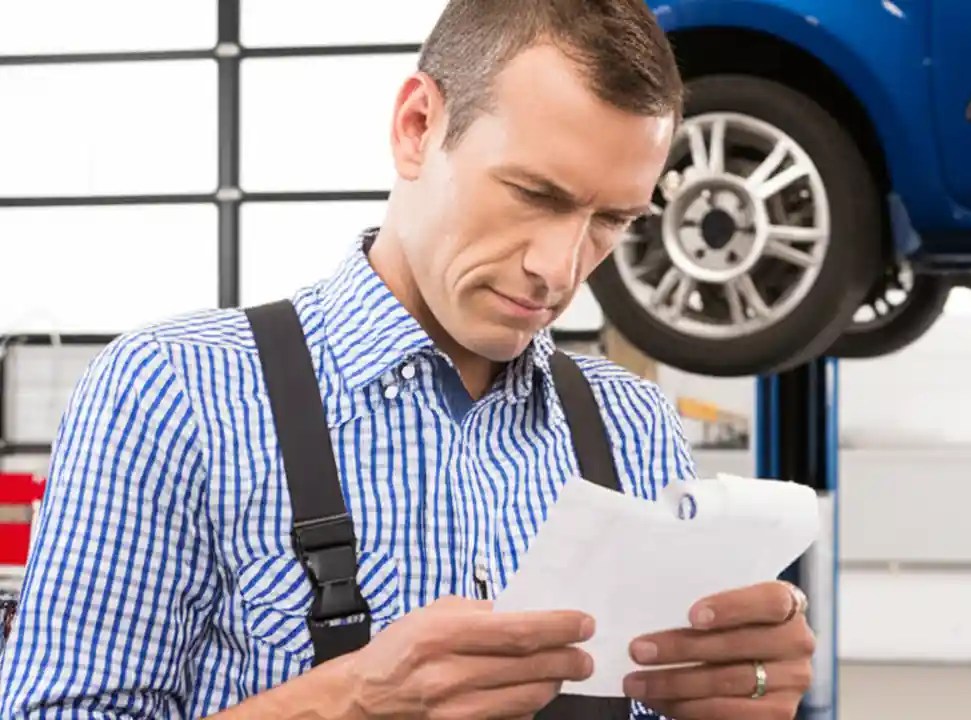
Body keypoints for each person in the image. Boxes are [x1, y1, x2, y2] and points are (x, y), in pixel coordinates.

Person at [0, 1, 816, 718]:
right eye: (535, 195)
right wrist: (347, 703)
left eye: (612, 220)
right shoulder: (172, 393)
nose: (561, 269)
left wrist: (733, 700)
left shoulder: (630, 424)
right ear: (417, 127)